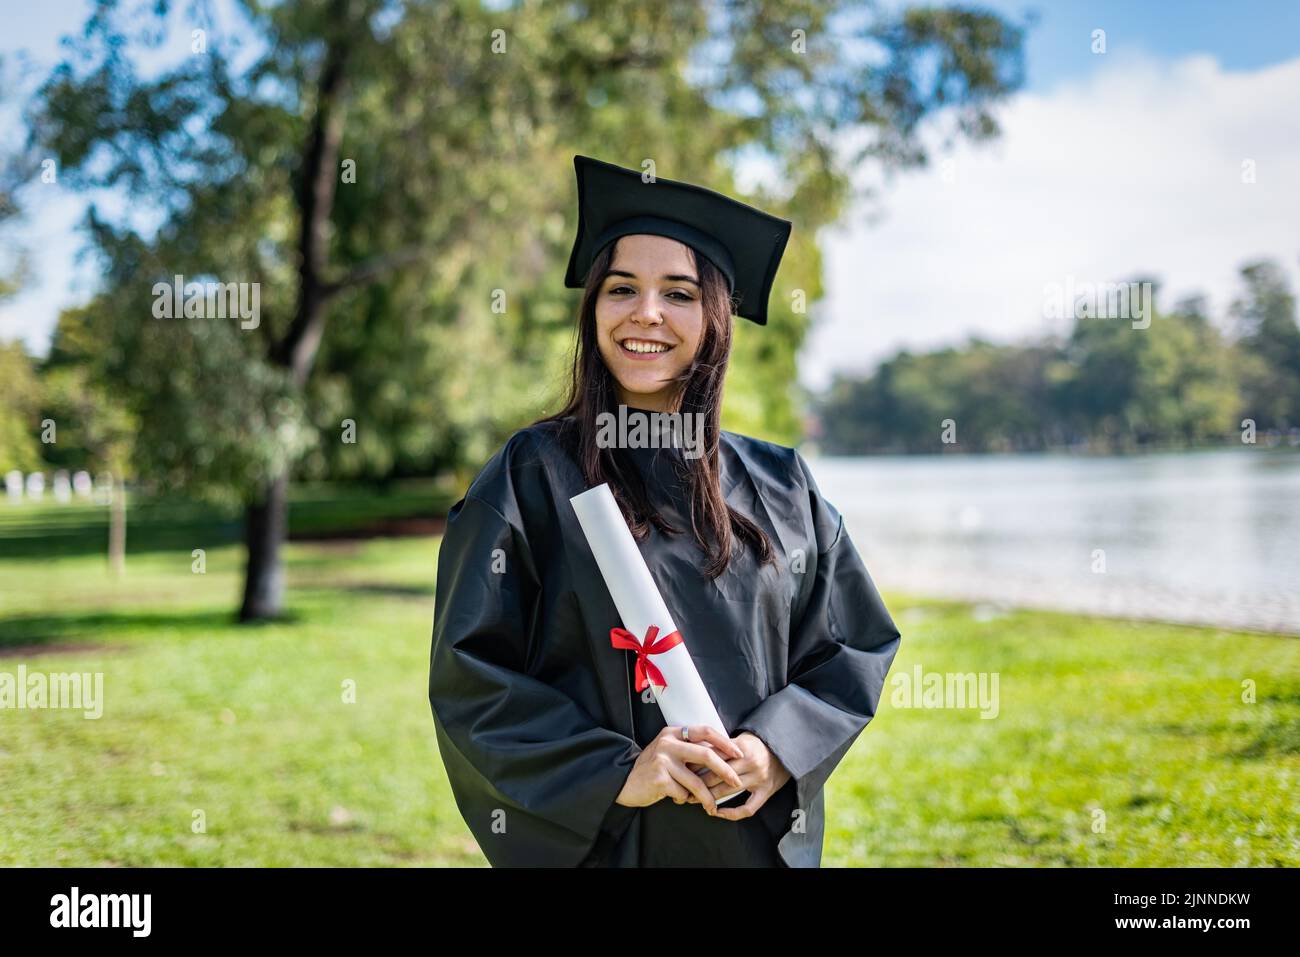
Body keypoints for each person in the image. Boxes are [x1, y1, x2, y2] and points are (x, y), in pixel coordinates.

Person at [428, 154, 902, 867]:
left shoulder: (783, 485)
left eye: (679, 293)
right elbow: (472, 673)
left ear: (716, 318)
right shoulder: (531, 474)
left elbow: (851, 645)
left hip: (749, 843)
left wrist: (774, 749)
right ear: (594, 308)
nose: (645, 312)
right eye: (622, 287)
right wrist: (616, 770)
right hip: (615, 848)